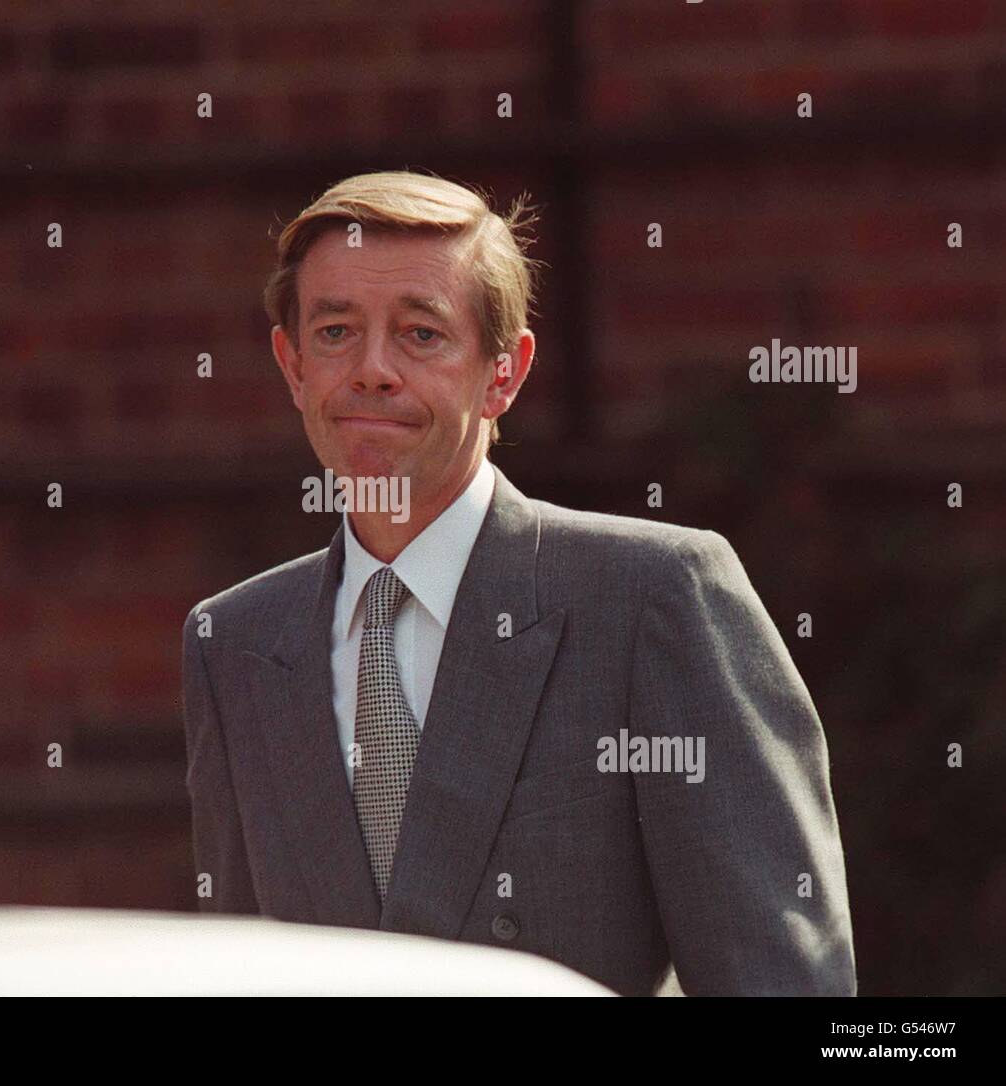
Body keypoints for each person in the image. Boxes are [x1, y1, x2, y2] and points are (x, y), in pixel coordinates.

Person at [181, 170, 856, 995]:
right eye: (334, 332)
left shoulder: (653, 597)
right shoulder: (236, 643)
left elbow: (779, 983)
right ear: (291, 365)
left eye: (422, 334)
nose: (372, 370)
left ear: (505, 372)